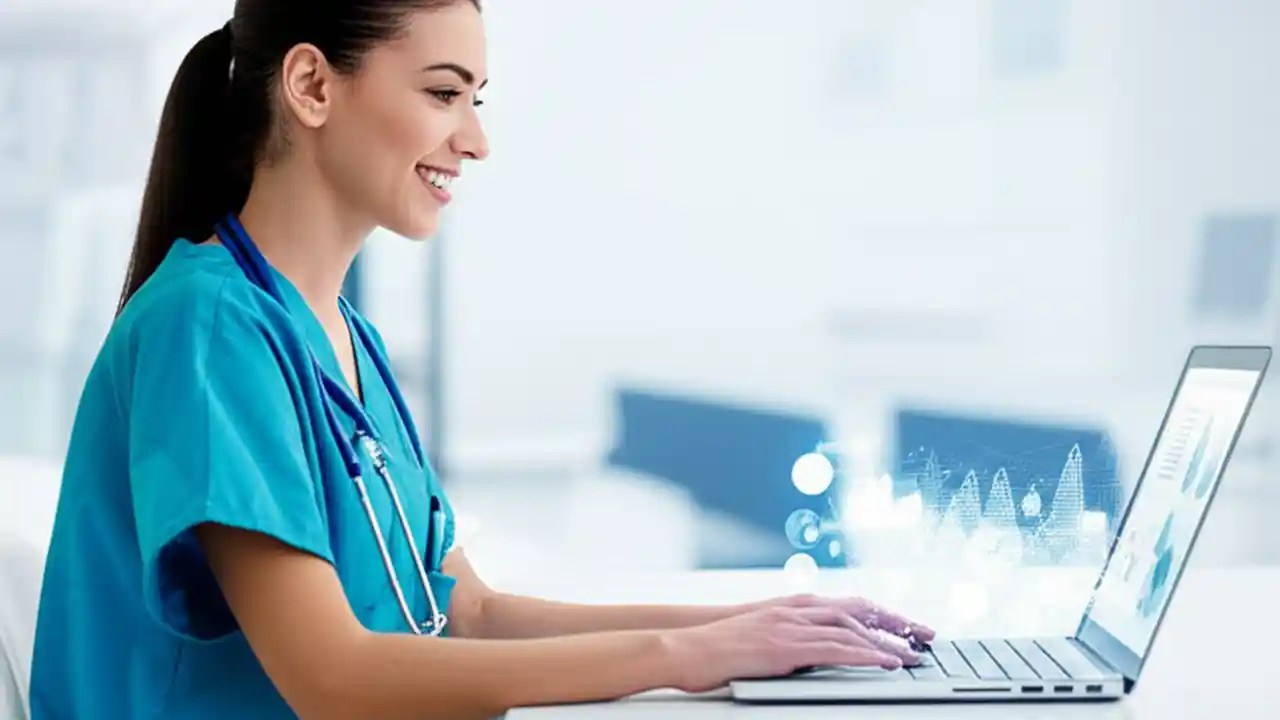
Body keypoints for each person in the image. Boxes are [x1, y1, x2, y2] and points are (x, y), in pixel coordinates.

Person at [28, 1, 933, 718]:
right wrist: (687, 659)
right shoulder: (209, 326)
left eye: (477, 99)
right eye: (441, 92)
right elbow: (333, 680)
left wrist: (751, 626)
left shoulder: (344, 340)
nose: (475, 138)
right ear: (310, 84)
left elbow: (468, 613)